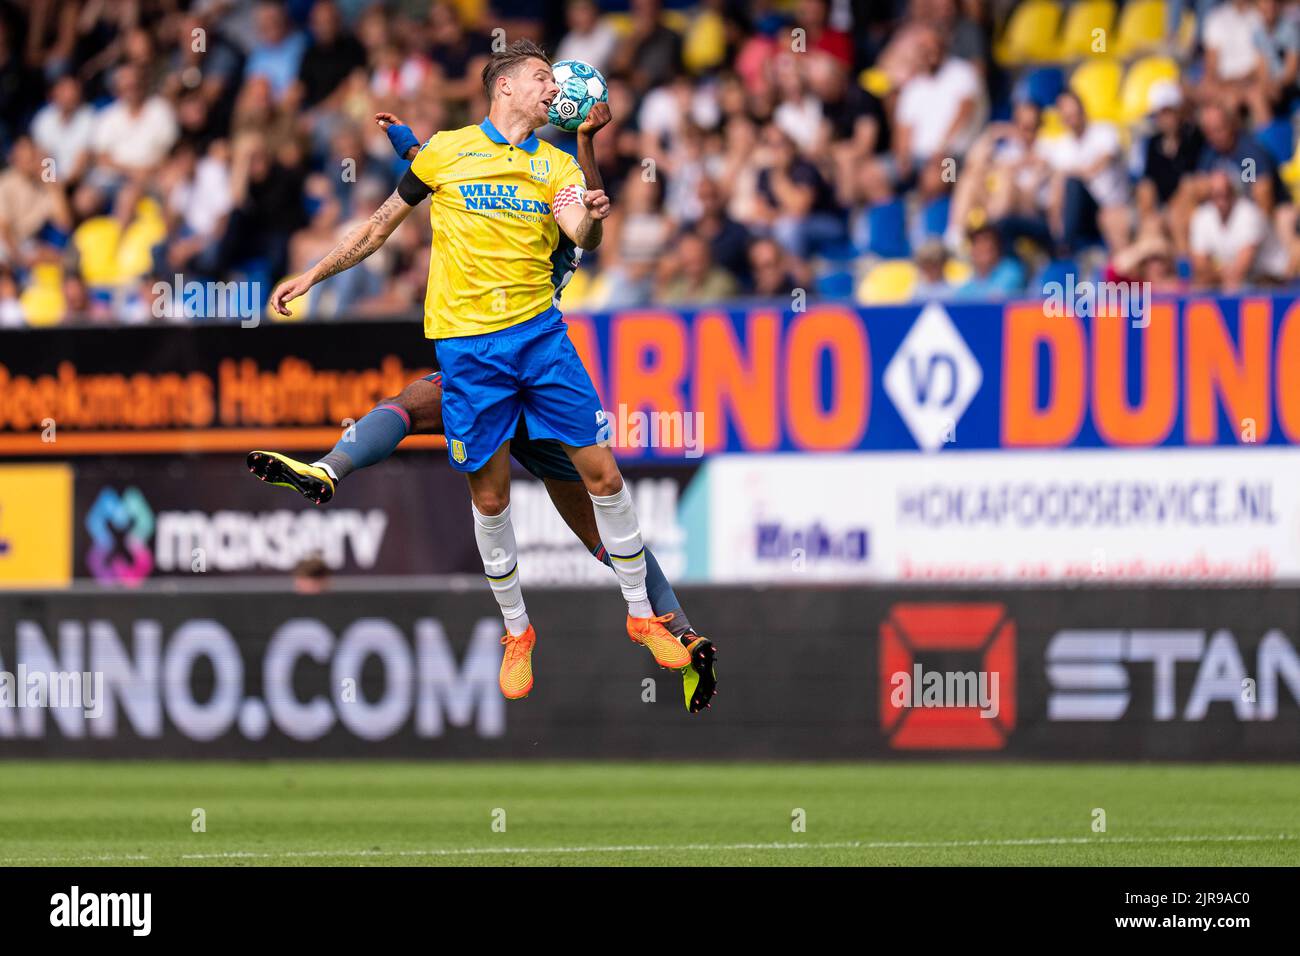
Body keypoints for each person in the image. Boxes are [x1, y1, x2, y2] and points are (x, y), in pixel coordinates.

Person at [255, 42, 716, 711]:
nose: (552, 89)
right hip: (477, 354)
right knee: (496, 479)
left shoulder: (554, 166)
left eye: (559, 84)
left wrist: (587, 166)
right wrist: (315, 271)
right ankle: (646, 631)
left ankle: (664, 627)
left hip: (534, 347)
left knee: (589, 495)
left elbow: (581, 229)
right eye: (541, 79)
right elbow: (401, 210)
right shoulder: (452, 152)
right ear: (504, 87)